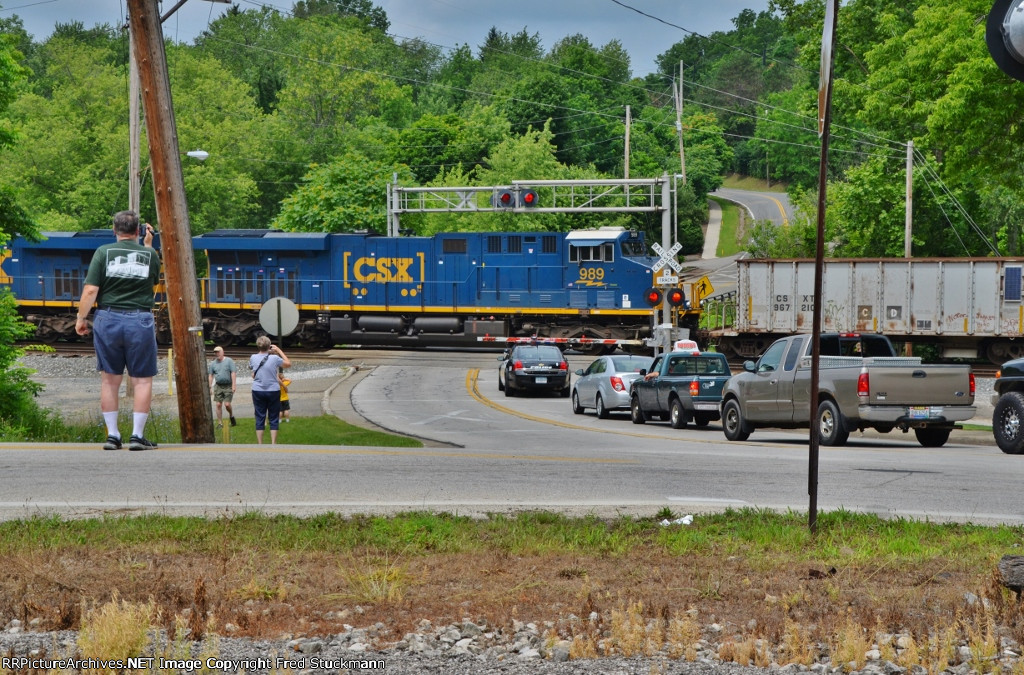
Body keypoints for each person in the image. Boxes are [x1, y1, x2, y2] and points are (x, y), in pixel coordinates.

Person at [75, 210, 161, 451]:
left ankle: (113, 435)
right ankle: (136, 436)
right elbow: (152, 282)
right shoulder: (150, 255)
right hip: (140, 320)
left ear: (114, 231)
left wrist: (81, 317)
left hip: (107, 318)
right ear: (137, 231)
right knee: (142, 381)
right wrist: (147, 246)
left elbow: (91, 290)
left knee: (110, 381)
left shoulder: (103, 252)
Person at [249, 336, 291, 444]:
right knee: (273, 416)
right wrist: (278, 350)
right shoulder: (274, 358)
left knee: (260, 416)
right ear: (269, 346)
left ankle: (260, 443)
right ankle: (273, 443)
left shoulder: (253, 357)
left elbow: (253, 372)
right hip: (273, 390)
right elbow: (288, 364)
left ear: (258, 346)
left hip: (257, 390)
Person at [207, 346, 237, 427]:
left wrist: (234, 385)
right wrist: (209, 387)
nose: (217, 354)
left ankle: (231, 416)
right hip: (218, 386)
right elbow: (210, 375)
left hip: (228, 385)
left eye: (218, 352)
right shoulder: (213, 363)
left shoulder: (229, 361)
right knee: (218, 404)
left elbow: (233, 373)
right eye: (215, 352)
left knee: (227, 404)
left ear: (222, 352)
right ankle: (220, 423)